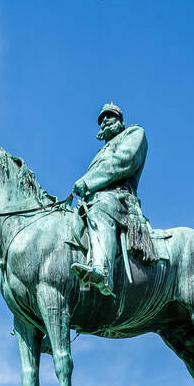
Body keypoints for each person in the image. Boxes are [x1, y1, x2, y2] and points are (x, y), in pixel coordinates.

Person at [71, 104, 154, 296]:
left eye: (110, 116)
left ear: (121, 121)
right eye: (102, 119)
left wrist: (87, 181)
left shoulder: (134, 133)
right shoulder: (101, 152)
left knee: (99, 211)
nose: (105, 121)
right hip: (93, 199)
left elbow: (124, 161)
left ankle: (102, 272)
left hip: (118, 199)